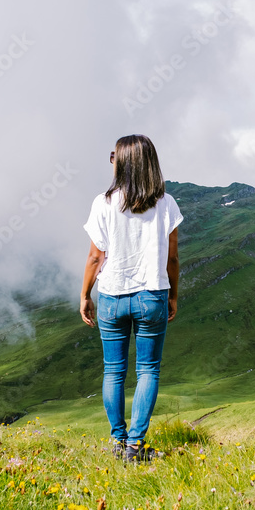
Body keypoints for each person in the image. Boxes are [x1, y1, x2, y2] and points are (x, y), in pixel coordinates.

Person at [80, 135, 183, 462]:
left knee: (113, 371)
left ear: (122, 163)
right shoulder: (166, 203)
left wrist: (85, 295)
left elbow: (96, 257)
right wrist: (174, 296)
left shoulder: (103, 203)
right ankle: (136, 447)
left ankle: (117, 441)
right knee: (148, 370)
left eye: (114, 156)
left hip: (111, 295)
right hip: (152, 293)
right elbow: (173, 258)